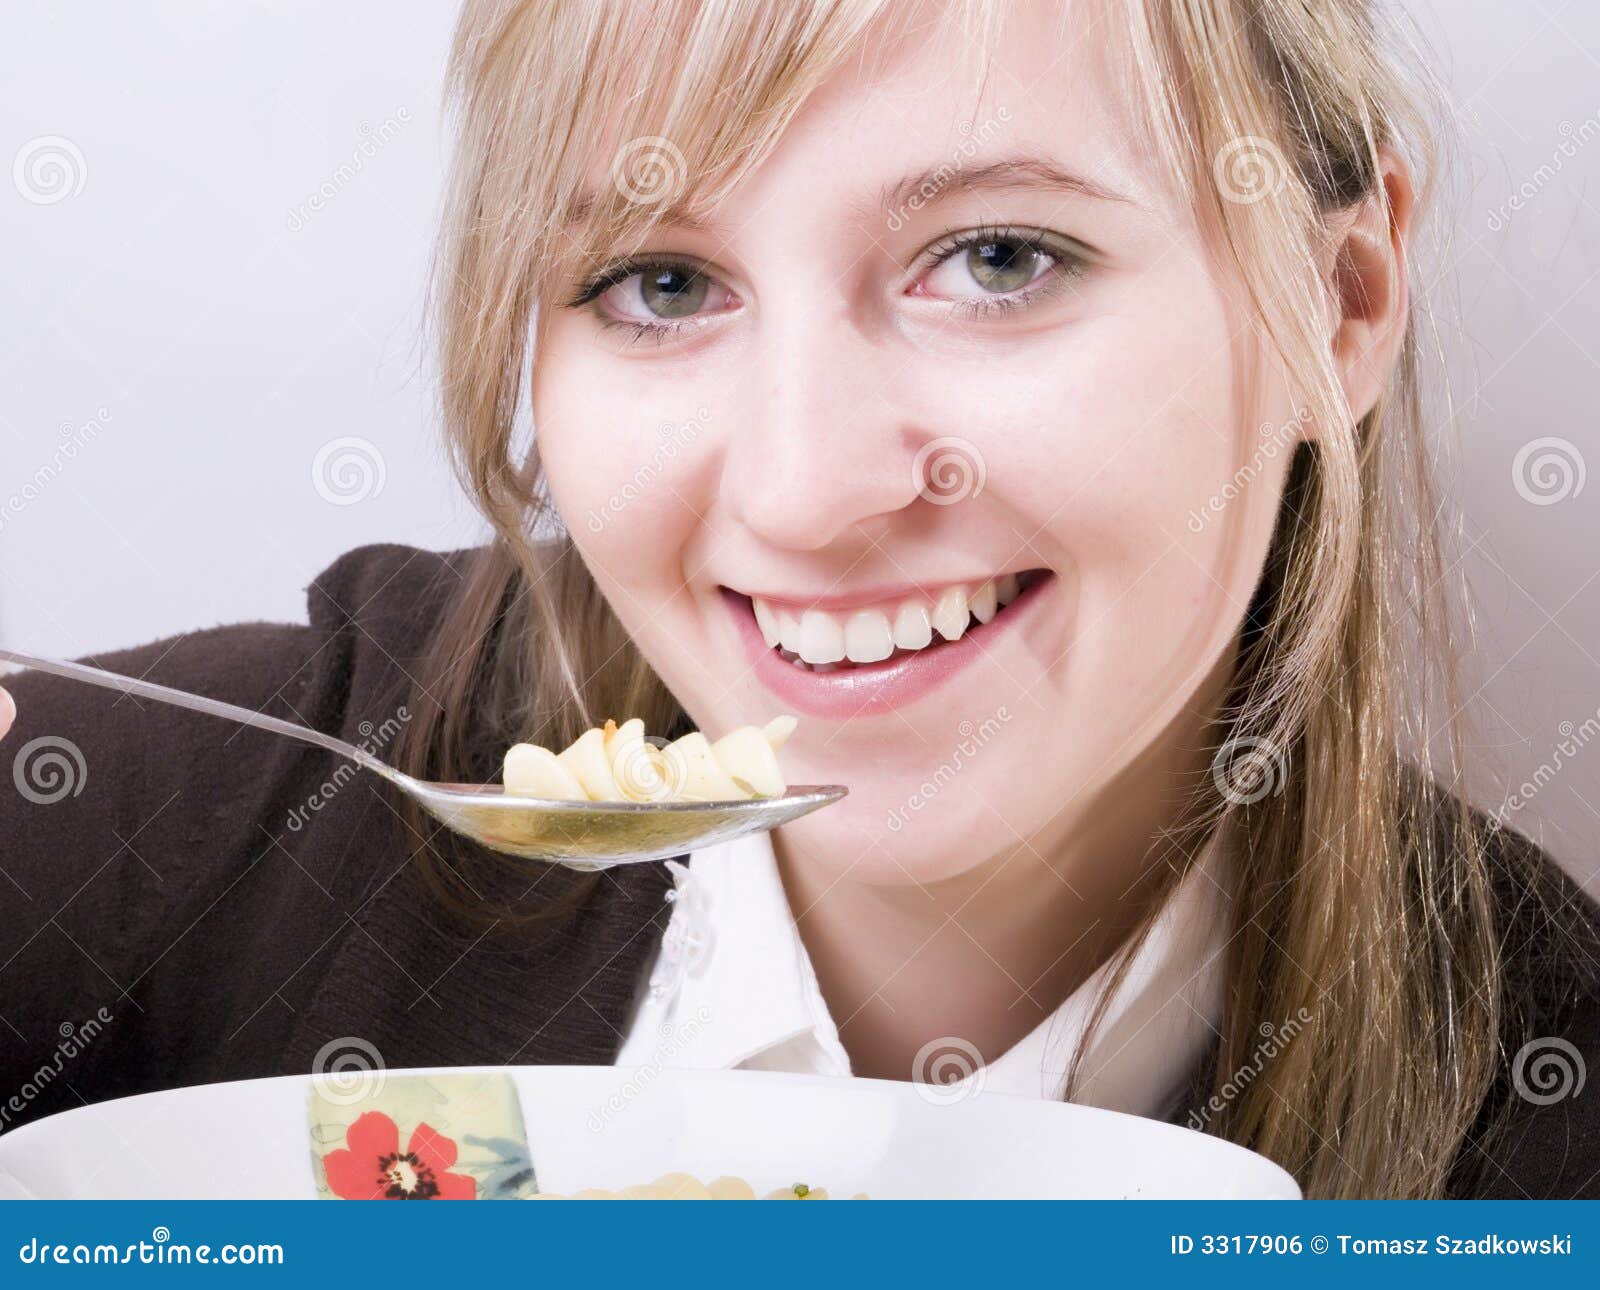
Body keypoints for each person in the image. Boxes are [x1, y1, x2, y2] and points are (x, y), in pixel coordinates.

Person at [3, 0, 1597, 1199]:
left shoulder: (1552, 1116)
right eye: (664, 284)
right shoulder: (194, 846)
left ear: (1343, 302)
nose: (802, 488)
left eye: (996, 259)